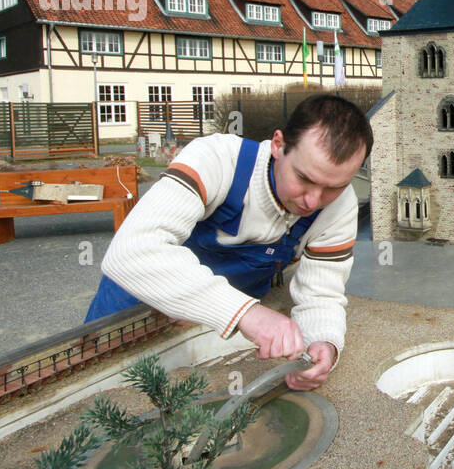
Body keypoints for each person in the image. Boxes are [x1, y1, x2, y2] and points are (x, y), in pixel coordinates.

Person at [85, 94, 370, 391]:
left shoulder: (339, 207)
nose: (313, 201)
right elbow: (130, 253)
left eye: (333, 187)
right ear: (278, 144)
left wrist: (324, 343)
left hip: (212, 332)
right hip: (131, 313)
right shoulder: (216, 159)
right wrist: (248, 313)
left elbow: (321, 295)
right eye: (303, 178)